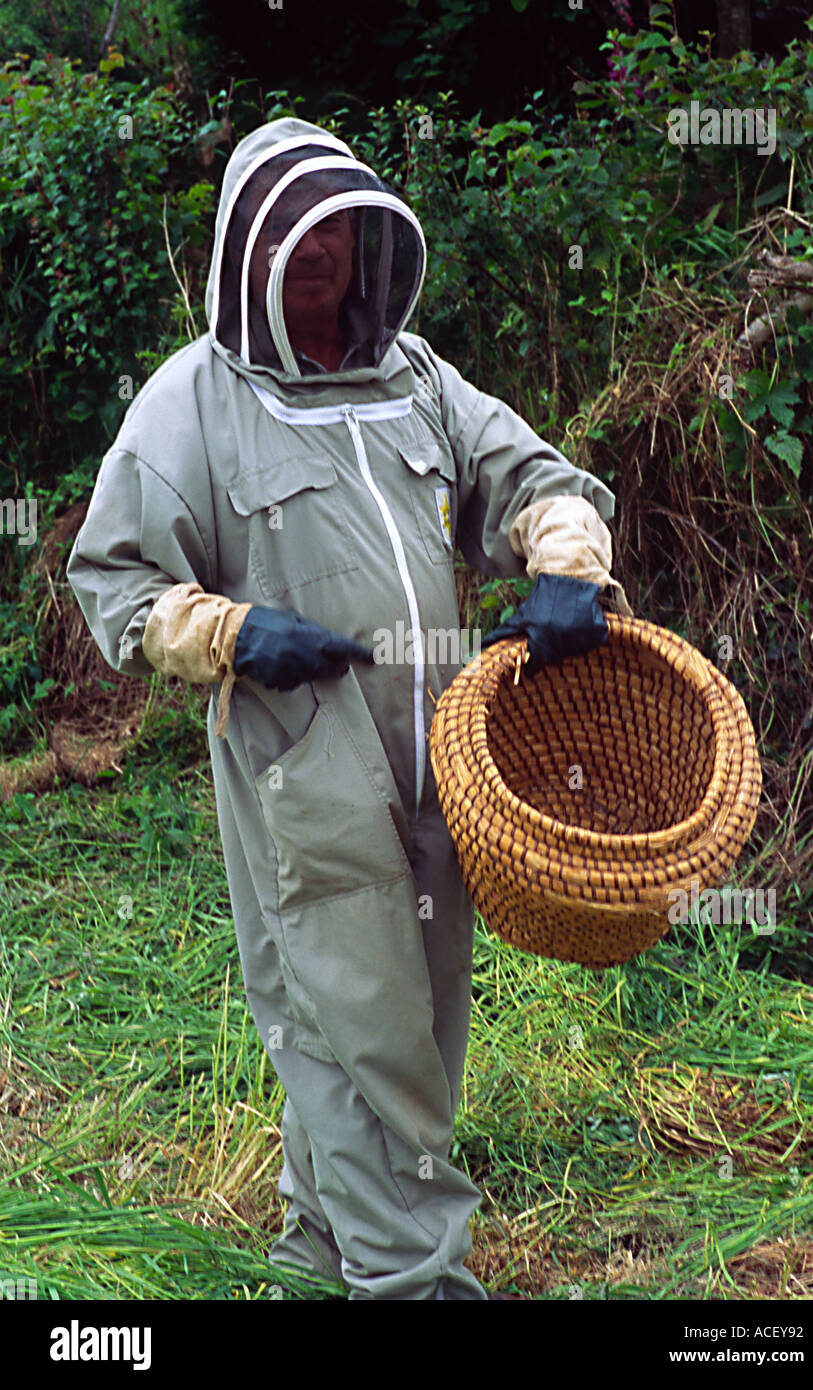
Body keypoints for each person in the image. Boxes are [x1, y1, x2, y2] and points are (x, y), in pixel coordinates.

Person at [67, 117, 630, 1300]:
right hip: (304, 775)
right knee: (361, 1033)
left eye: (333, 225)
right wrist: (227, 631)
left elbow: (534, 481)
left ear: (368, 236)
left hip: (444, 761)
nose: (315, 248)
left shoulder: (418, 379)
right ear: (247, 250)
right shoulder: (193, 403)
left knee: (407, 1023)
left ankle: (316, 1254)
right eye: (290, 230)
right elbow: (115, 584)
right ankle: (412, 1282)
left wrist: (566, 569)